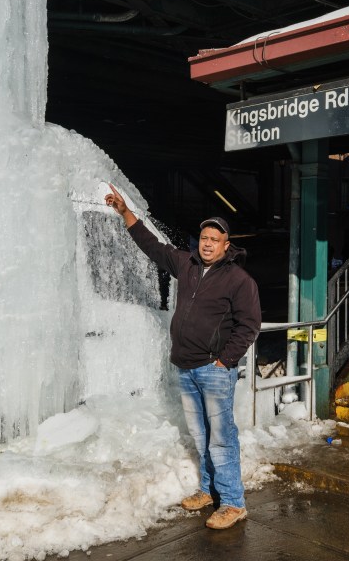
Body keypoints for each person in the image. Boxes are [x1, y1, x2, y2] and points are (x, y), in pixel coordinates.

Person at [104, 184, 261, 530]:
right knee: (201, 436)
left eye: (215, 239)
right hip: (186, 368)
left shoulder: (239, 280)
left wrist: (225, 361)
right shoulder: (186, 264)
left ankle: (233, 502)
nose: (207, 244)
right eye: (204, 238)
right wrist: (125, 212)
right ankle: (209, 490)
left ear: (226, 245)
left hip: (214, 369)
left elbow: (249, 325)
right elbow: (152, 246)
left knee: (221, 438)